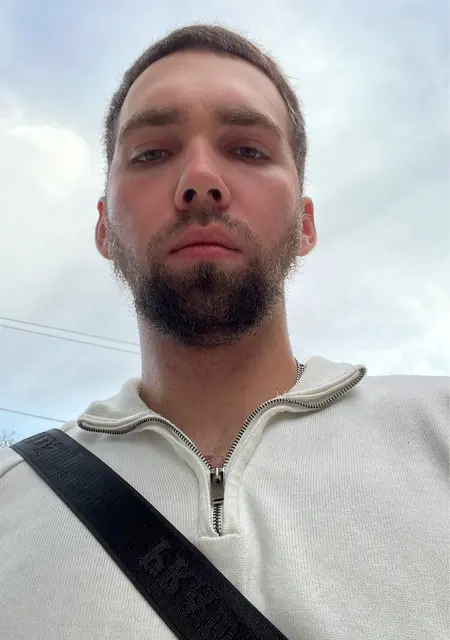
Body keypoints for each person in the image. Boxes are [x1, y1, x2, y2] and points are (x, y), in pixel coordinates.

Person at [0, 23, 447, 640]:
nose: (200, 181)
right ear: (104, 228)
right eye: (152, 153)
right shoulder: (11, 497)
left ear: (305, 224)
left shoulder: (438, 429)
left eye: (249, 151)